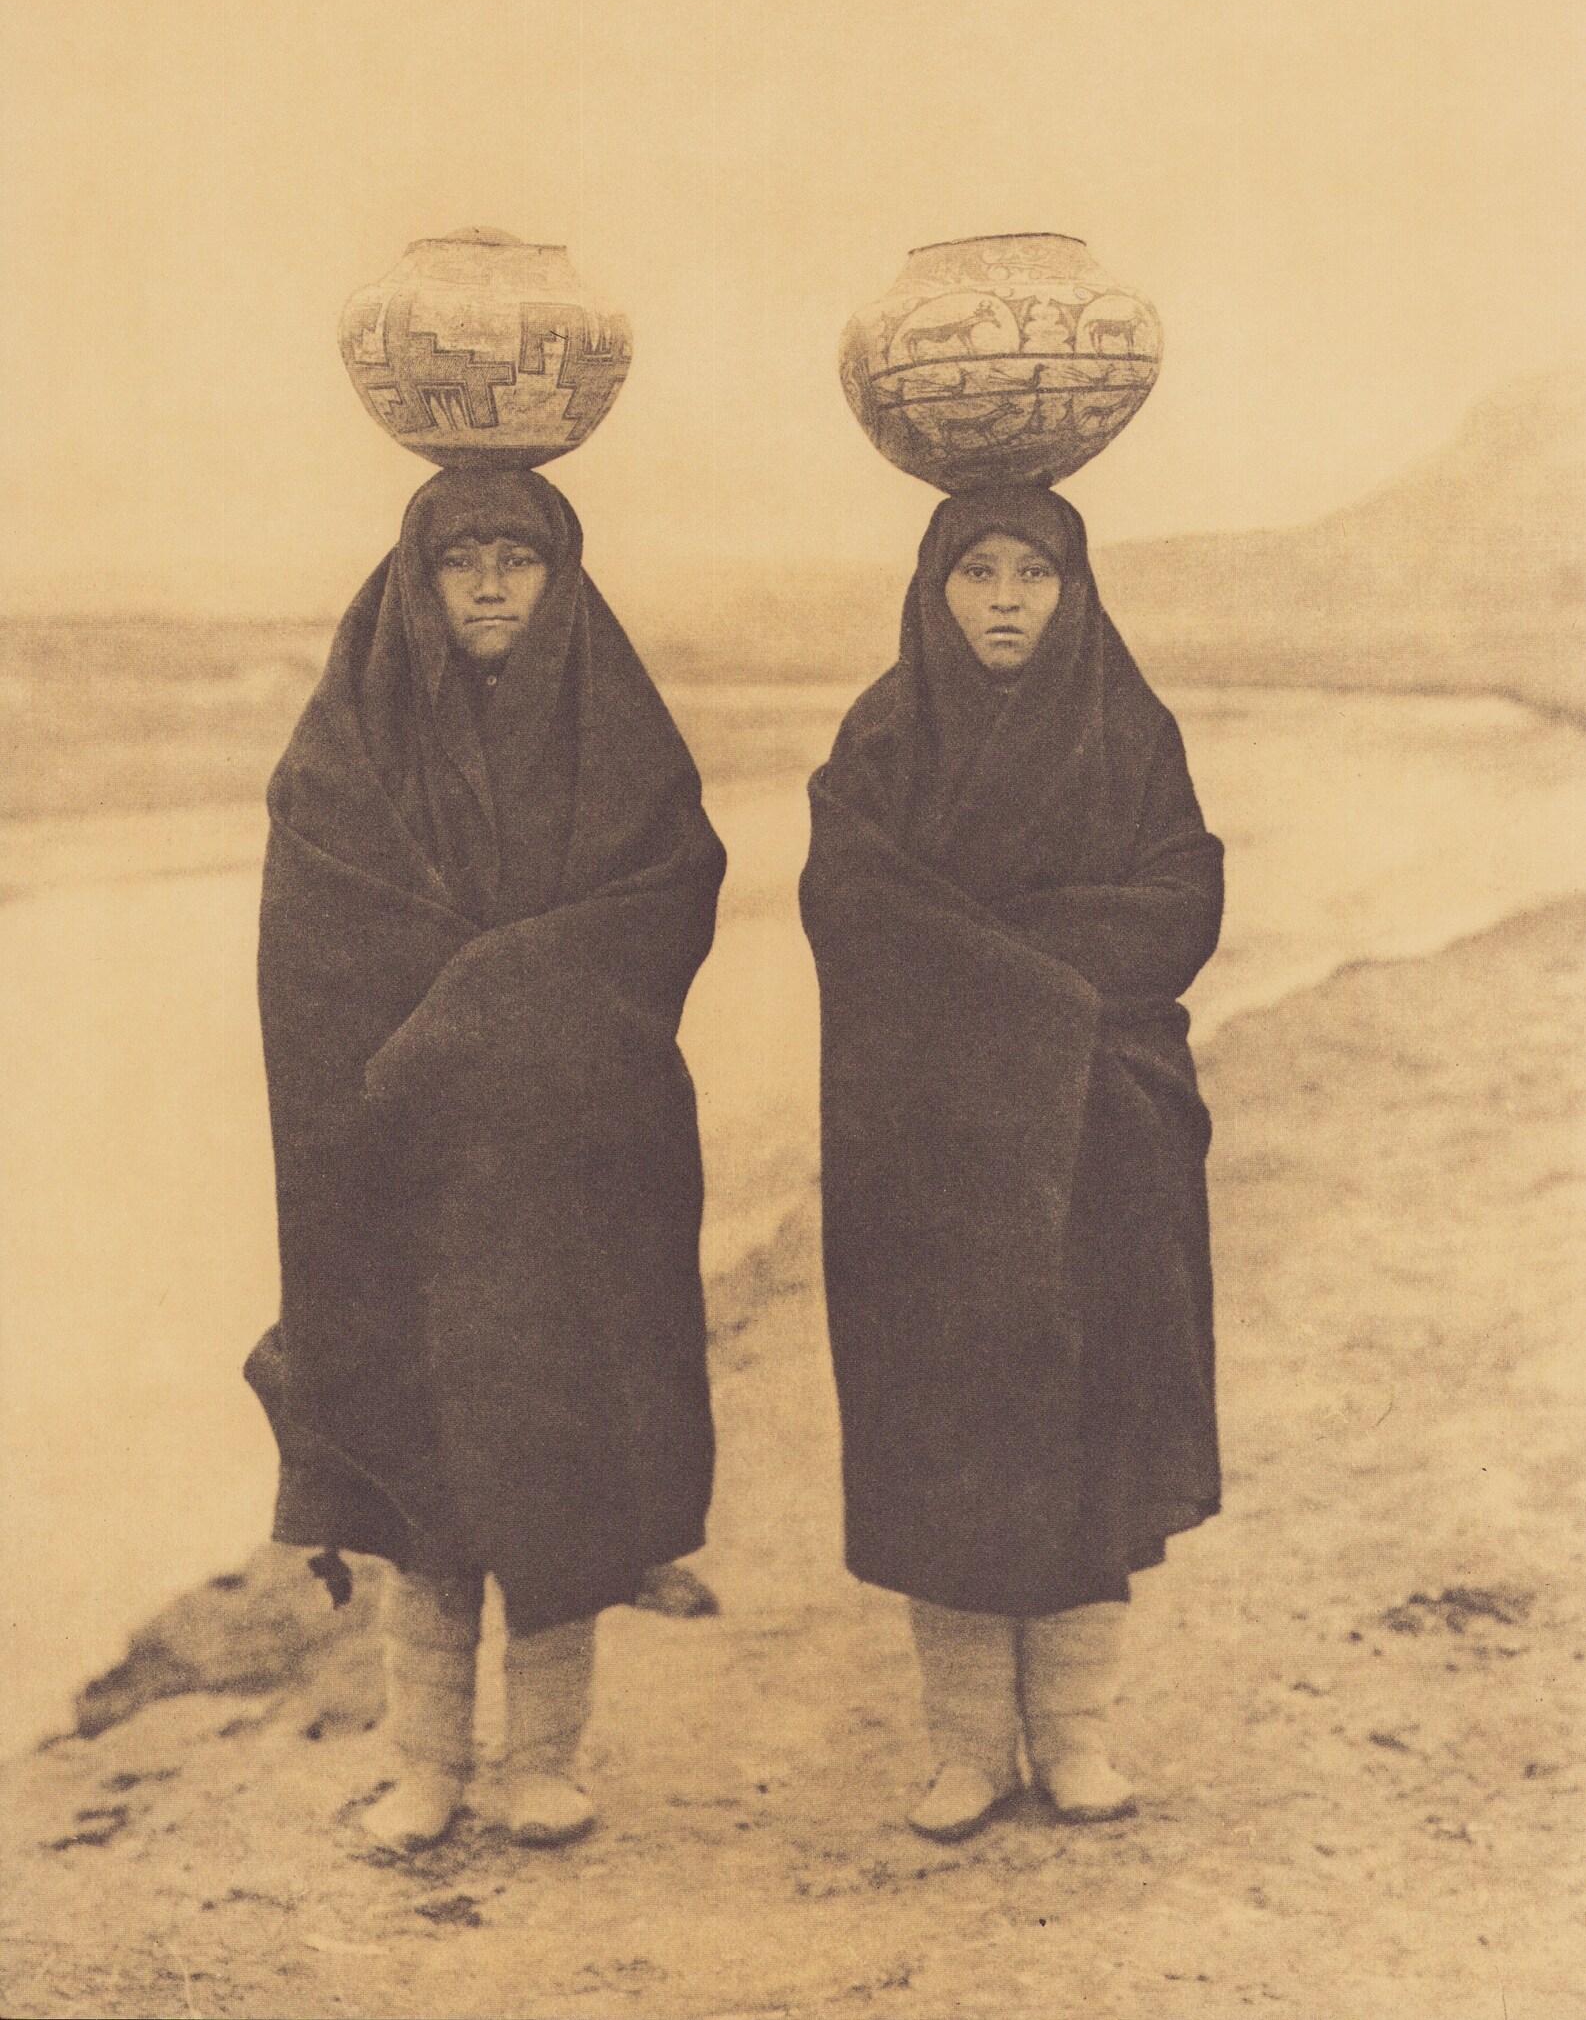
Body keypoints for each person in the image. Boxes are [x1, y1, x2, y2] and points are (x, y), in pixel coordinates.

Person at [246, 466, 726, 1852]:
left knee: (558, 1458)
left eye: (521, 556)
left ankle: (545, 1760)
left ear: (563, 576)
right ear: (419, 578)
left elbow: (665, 898)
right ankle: (423, 1763)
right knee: (425, 1475)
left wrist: (479, 1000)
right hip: (397, 1168)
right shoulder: (349, 741)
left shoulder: (619, 732)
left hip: (572, 1161)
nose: (494, 584)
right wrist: (430, 1041)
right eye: (465, 560)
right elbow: (318, 935)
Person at [799, 486, 1223, 1842]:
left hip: (1101, 1136)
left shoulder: (1128, 728)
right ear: (932, 589)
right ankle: (969, 1745)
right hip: (930, 1146)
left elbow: (1181, 901)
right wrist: (1040, 974)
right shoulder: (881, 737)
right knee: (950, 1434)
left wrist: (996, 961)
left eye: (1031, 574)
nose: (1002, 599)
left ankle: (1081, 1733)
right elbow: (855, 910)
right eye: (974, 571)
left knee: (1089, 1422)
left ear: (1073, 588)